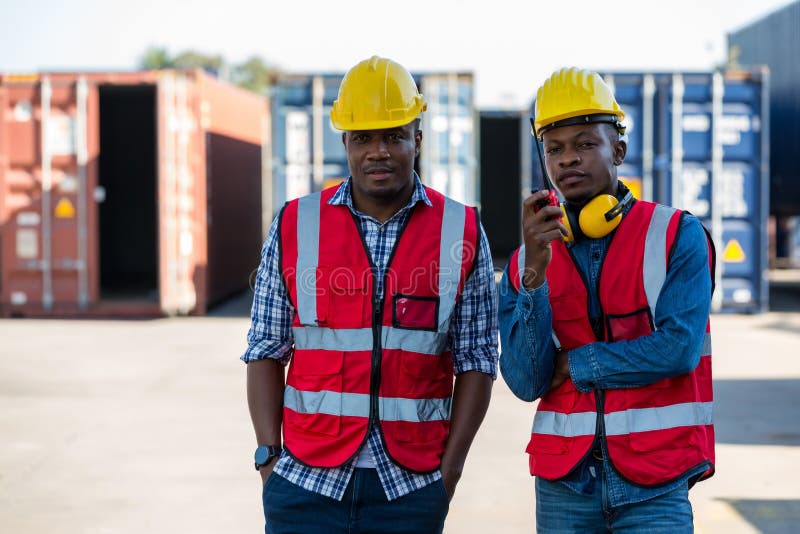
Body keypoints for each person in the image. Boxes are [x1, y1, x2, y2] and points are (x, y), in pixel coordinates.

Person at [243, 55, 498, 534]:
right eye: (363, 138)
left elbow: (479, 361)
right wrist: (267, 458)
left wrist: (450, 472)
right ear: (345, 142)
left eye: (393, 136)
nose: (378, 151)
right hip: (304, 484)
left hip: (410, 487)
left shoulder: (460, 229)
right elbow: (265, 348)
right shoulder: (296, 223)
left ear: (417, 139)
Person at [498, 67, 715, 532]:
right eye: (554, 149)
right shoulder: (523, 262)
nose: (568, 159)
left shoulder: (676, 235)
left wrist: (577, 365)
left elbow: (678, 349)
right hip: (564, 483)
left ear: (618, 149)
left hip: (656, 481)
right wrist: (535, 272)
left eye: (584, 144)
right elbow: (523, 380)